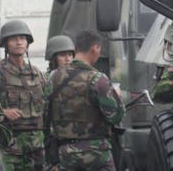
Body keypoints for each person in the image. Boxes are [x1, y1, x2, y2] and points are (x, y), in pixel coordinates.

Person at [44, 31, 124, 170]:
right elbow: (116, 117)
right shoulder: (99, 79)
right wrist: (117, 98)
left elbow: (45, 113)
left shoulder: (53, 77)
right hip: (97, 154)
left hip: (66, 154)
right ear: (95, 48)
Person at [0, 20, 45, 170]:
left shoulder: (37, 74)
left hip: (37, 147)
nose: (19, 42)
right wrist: (2, 112)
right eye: (13, 39)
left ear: (27, 43)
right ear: (5, 44)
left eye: (22, 38)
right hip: (9, 147)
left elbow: (49, 107)